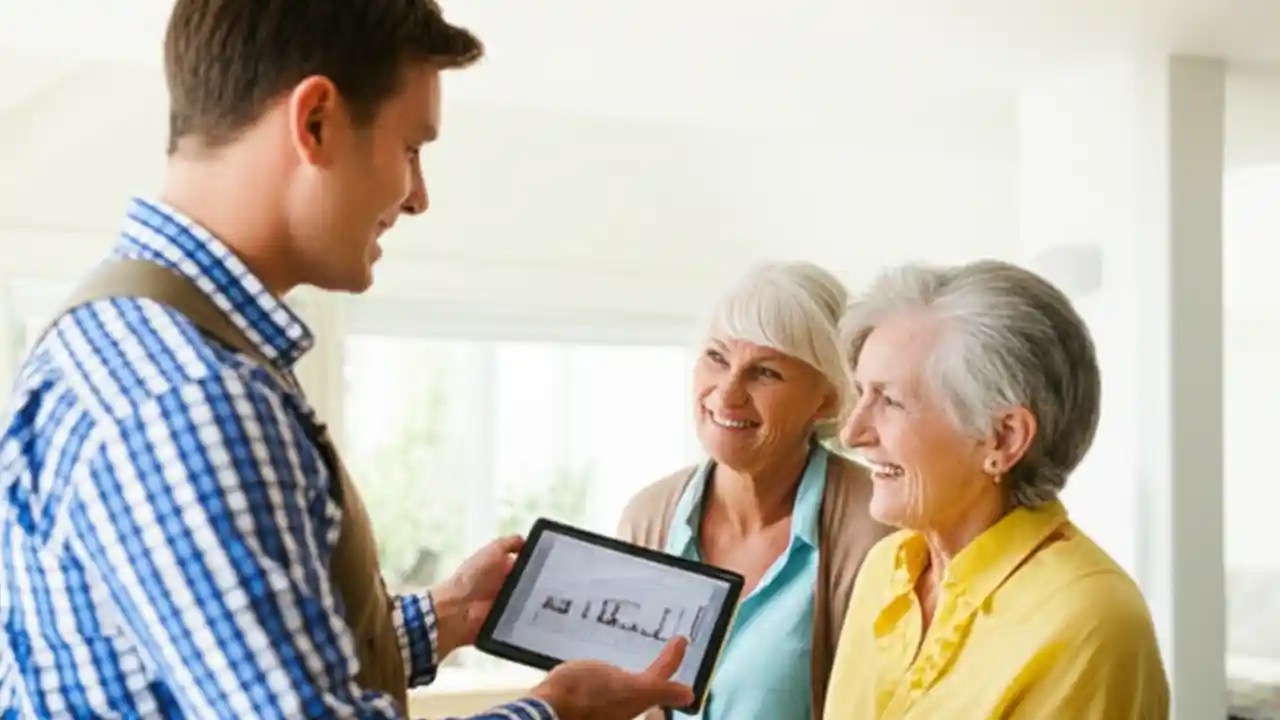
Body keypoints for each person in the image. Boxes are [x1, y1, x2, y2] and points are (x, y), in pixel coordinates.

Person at [0, 1, 693, 718]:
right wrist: (554, 711)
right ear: (316, 122)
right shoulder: (193, 396)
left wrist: (446, 615)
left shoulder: (122, 337)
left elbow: (208, 663)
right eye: (411, 147)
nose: (418, 198)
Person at [823, 260, 1170, 719]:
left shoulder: (1090, 618)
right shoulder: (886, 567)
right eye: (861, 393)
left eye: (890, 401)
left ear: (1003, 438)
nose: (852, 433)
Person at [618, 262, 893, 720]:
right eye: (717, 357)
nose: (728, 394)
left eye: (764, 373)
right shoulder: (647, 517)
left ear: (828, 397)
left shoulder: (878, 527)